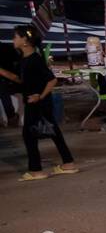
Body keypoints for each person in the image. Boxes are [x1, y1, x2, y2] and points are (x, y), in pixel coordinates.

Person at [11, 26, 77, 181]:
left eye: (15, 37)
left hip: (38, 103)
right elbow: (21, 80)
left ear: (25, 40)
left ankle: (36, 170)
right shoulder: (25, 60)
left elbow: (52, 80)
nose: (13, 40)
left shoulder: (35, 59)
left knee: (29, 135)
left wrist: (39, 96)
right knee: (52, 131)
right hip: (37, 102)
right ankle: (68, 164)